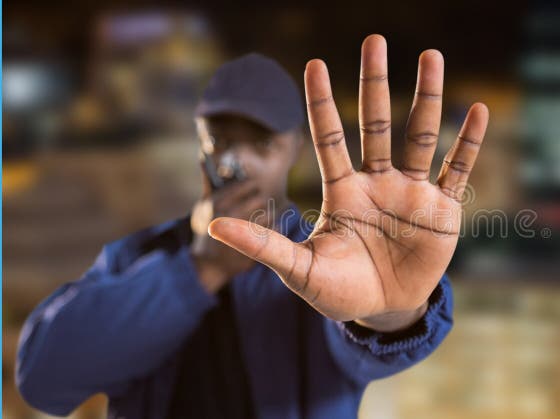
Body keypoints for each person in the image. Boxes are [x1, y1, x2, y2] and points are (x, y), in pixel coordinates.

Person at [15, 34, 489, 419]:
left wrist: (388, 313)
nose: (236, 161)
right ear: (199, 145)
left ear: (295, 151)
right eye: (221, 140)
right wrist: (200, 268)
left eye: (261, 143)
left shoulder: (329, 257)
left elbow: (365, 348)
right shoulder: (134, 257)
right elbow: (44, 379)